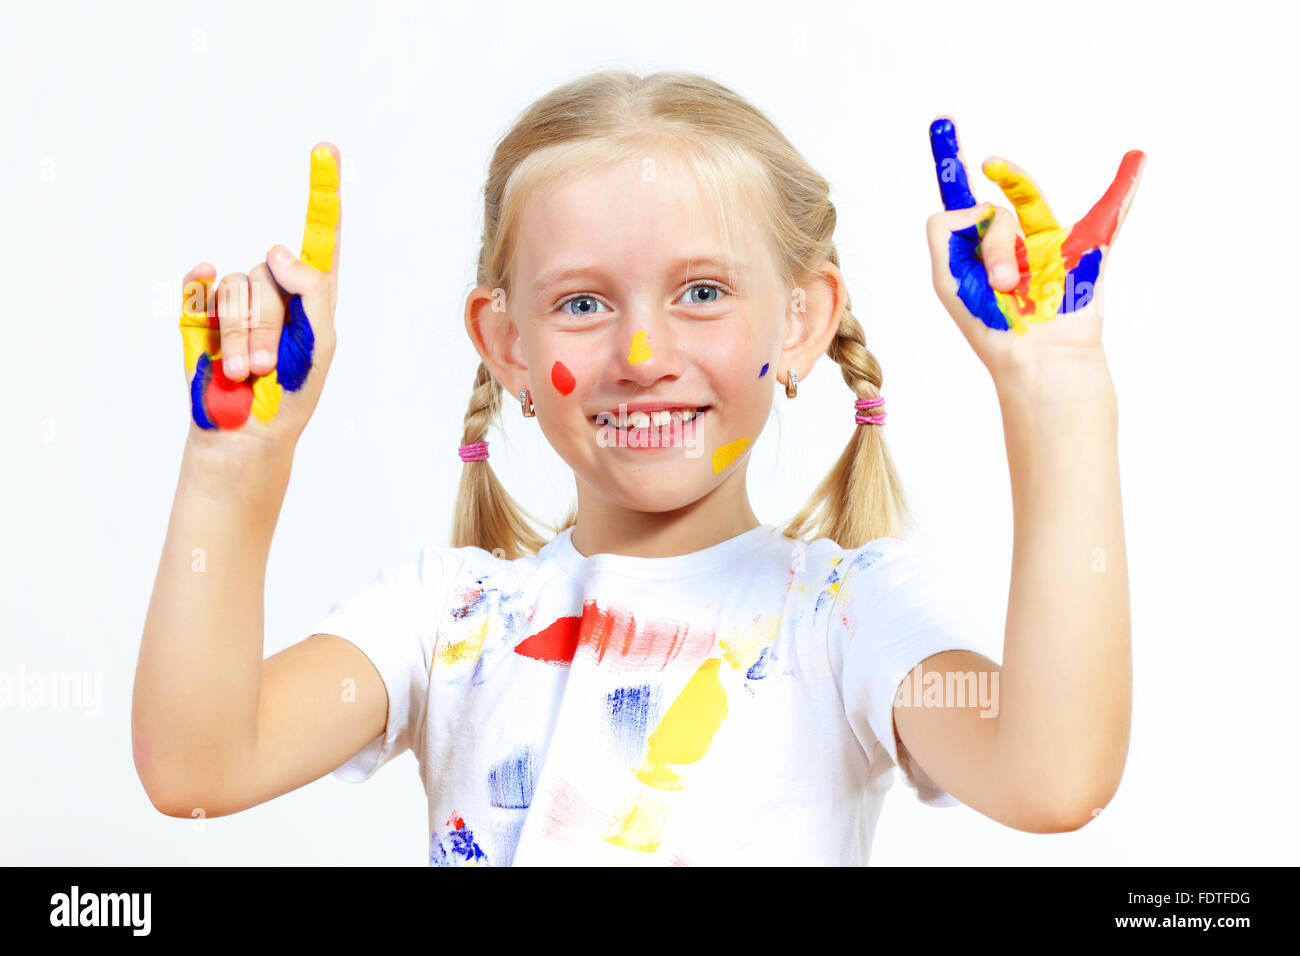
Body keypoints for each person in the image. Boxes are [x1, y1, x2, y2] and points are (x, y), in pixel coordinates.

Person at [134, 69, 1143, 866]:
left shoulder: (839, 617)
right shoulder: (449, 620)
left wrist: (1058, 393)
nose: (644, 352)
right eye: (582, 302)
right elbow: (195, 766)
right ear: (508, 343)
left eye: (702, 291)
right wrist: (235, 463)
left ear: (800, 322)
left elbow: (1054, 777)